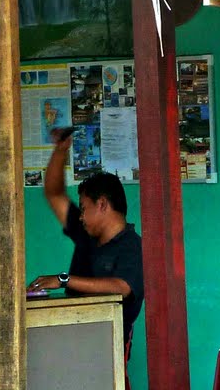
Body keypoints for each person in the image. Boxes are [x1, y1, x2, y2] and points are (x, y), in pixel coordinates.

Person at [29, 128, 145, 351]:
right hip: (71, 337)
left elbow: (121, 287)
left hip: (106, 347)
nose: (80, 216)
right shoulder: (86, 234)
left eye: (83, 208)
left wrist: (64, 280)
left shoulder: (132, 246)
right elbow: (54, 193)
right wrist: (60, 151)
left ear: (101, 204)